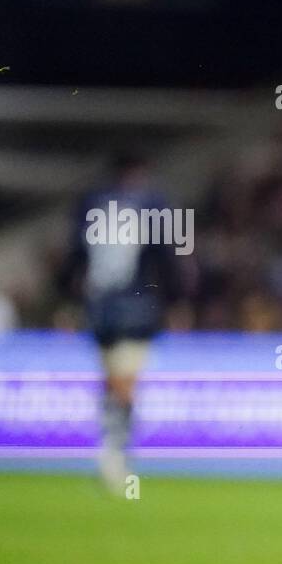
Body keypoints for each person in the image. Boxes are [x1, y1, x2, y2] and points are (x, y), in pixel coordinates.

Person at [58, 155, 181, 493]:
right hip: (136, 309)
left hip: (98, 309)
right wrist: (176, 301)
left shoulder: (90, 203)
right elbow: (166, 256)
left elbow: (73, 256)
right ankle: (114, 453)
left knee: (113, 382)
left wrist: (68, 303)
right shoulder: (152, 203)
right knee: (125, 384)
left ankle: (110, 450)